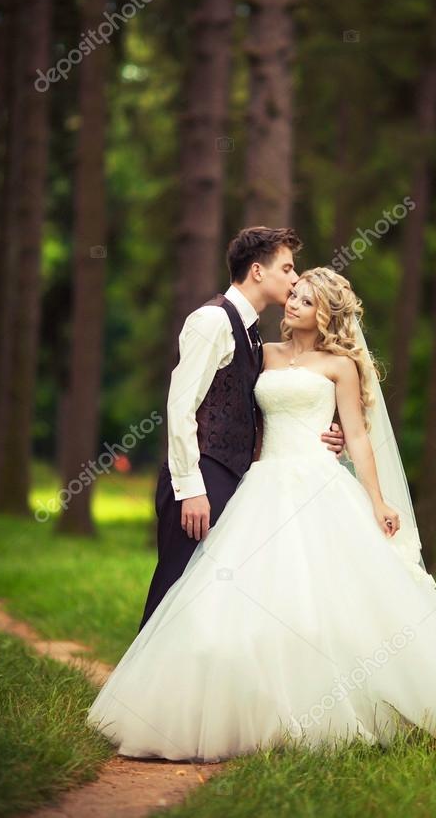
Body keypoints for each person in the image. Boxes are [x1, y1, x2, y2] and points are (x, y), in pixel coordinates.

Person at [88, 268, 436, 761]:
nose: (292, 303)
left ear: (327, 316)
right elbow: (238, 413)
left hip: (319, 483)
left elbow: (357, 436)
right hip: (263, 482)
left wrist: (377, 499)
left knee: (326, 603)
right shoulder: (261, 355)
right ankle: (241, 710)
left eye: (306, 301)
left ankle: (335, 709)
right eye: (293, 294)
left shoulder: (340, 365)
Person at [138, 228, 344, 630]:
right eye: (286, 268)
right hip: (201, 477)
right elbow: (181, 407)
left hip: (232, 479)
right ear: (257, 271)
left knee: (205, 602)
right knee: (173, 592)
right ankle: (140, 690)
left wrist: (323, 430)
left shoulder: (251, 335)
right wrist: (191, 487)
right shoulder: (212, 320)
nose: (294, 277)